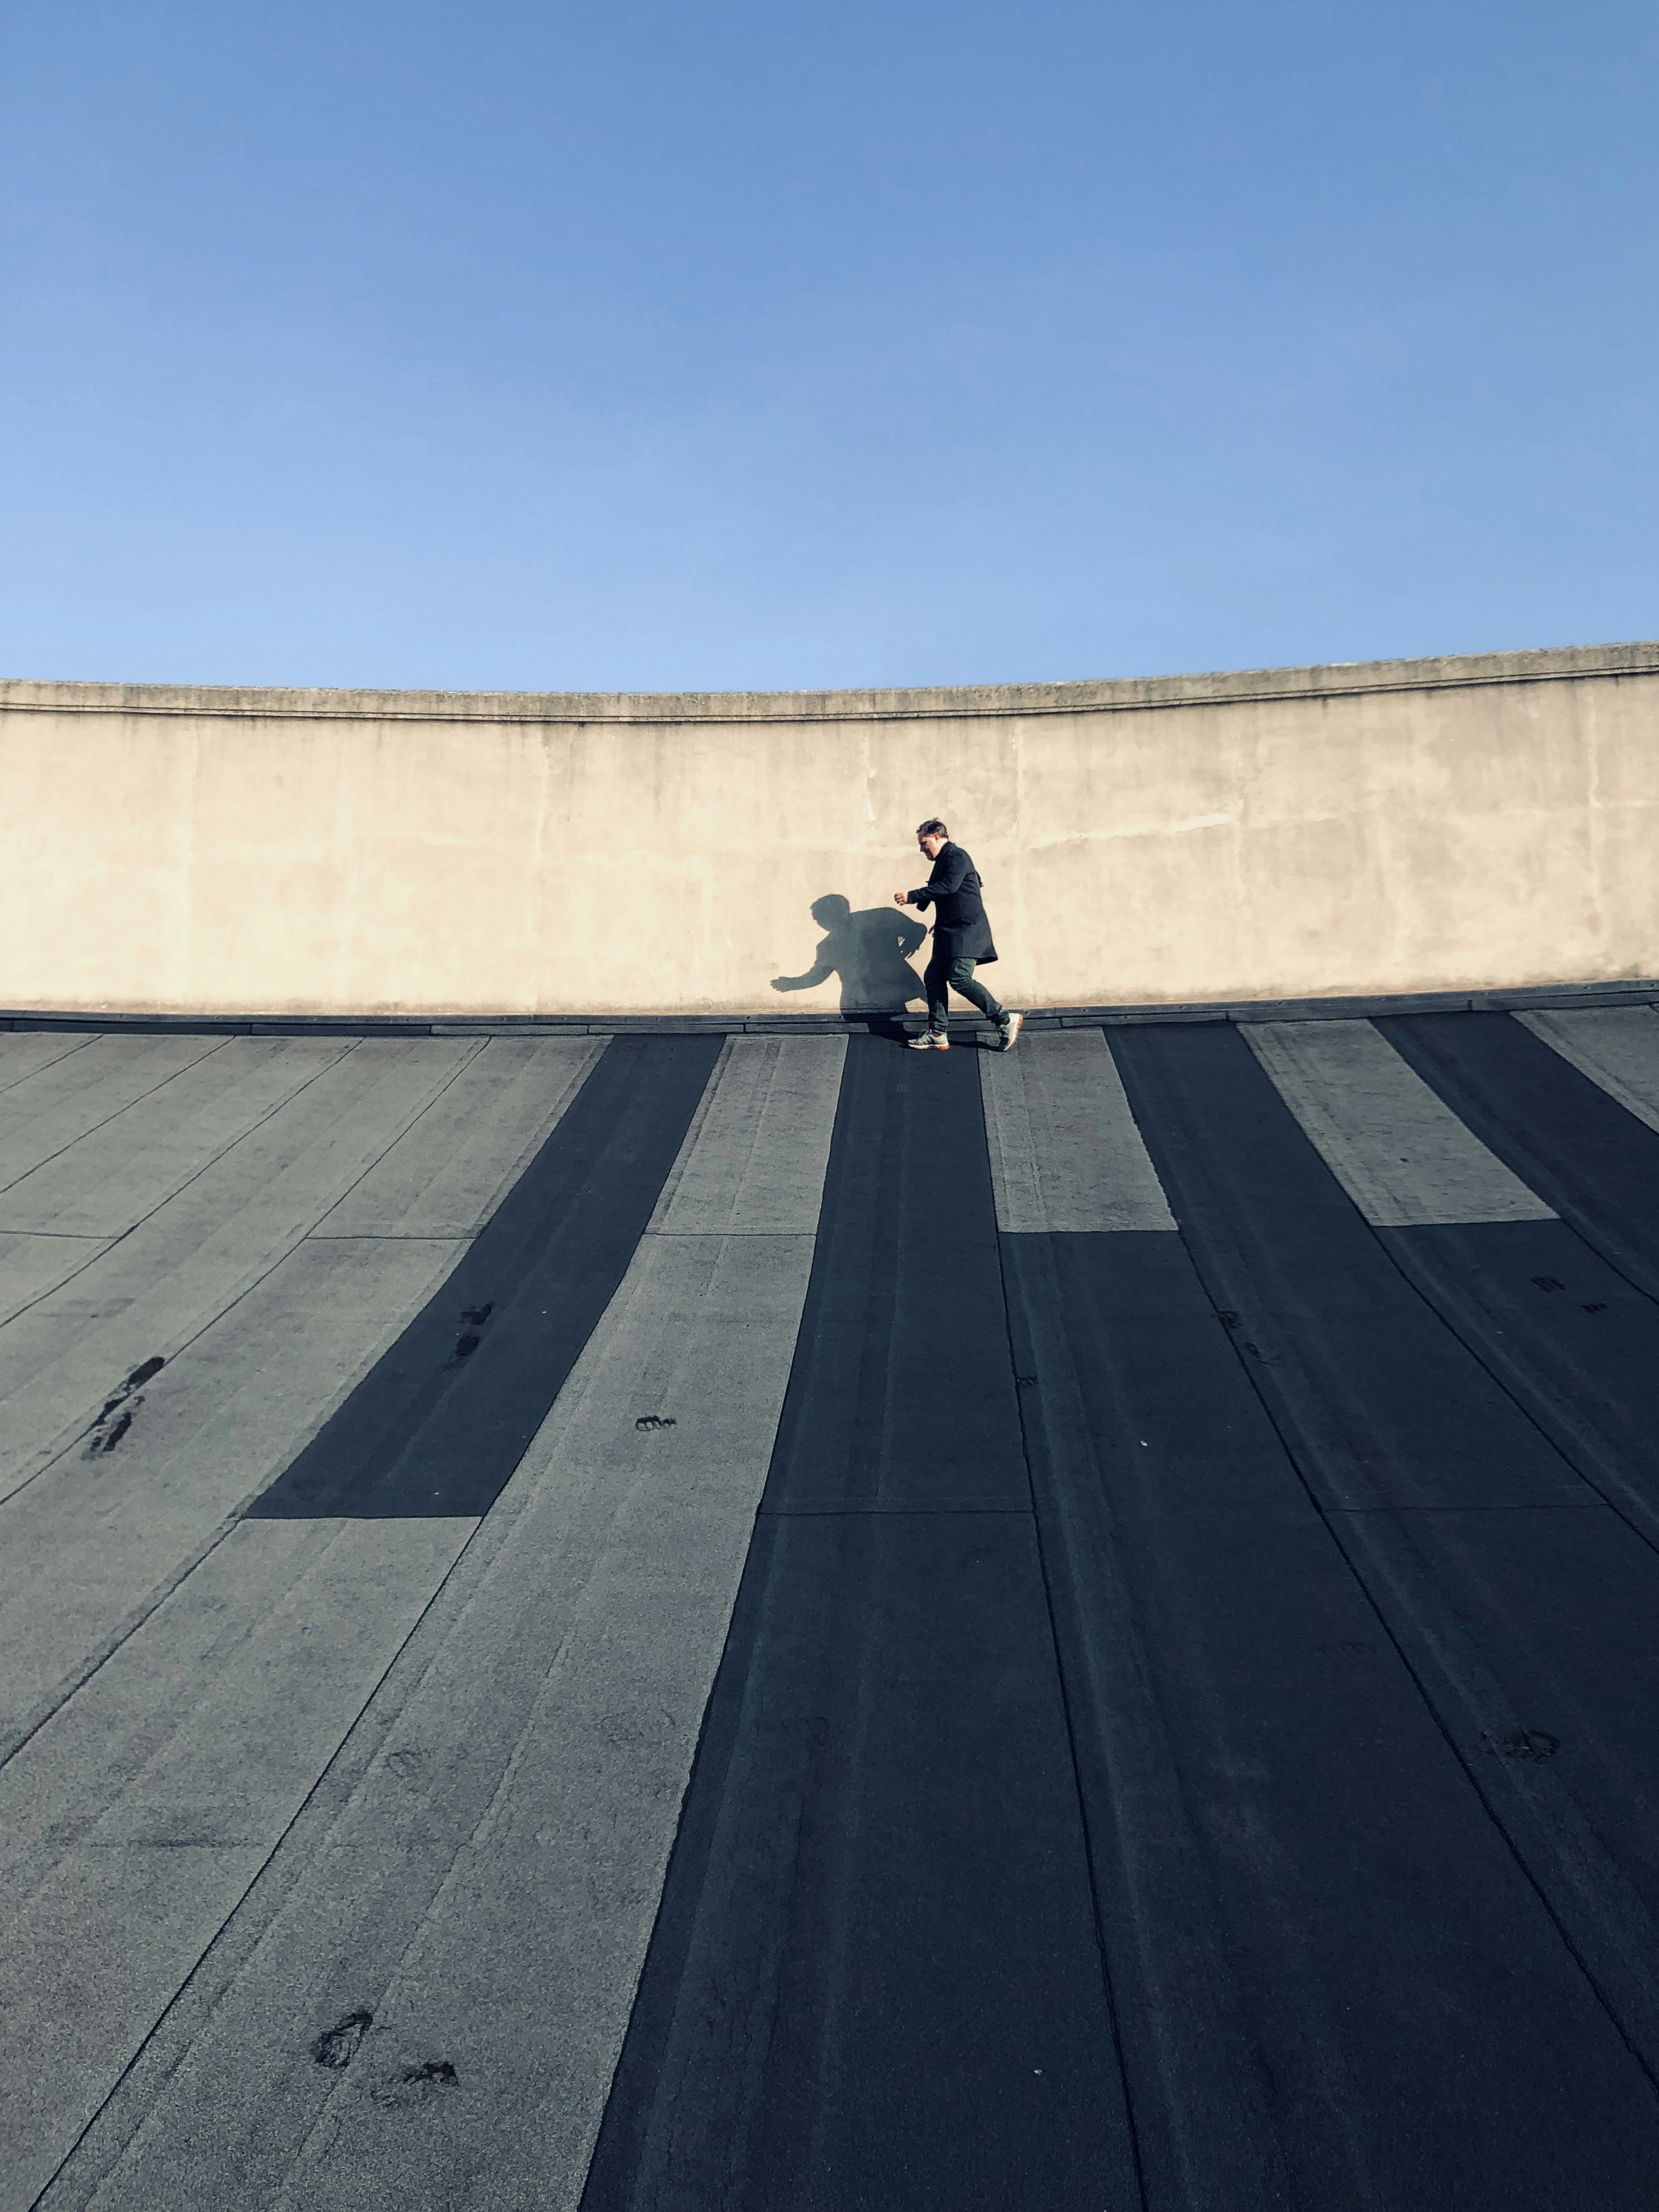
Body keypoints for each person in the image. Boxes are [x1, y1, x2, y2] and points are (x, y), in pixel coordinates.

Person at [894, 819, 1022, 1051]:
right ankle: (937, 1033)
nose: (922, 849)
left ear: (936, 837)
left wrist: (912, 895)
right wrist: (939, 921)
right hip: (949, 930)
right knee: (934, 977)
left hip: (966, 930)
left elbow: (949, 887)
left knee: (960, 978)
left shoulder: (957, 856)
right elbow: (951, 895)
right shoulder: (944, 861)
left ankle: (1004, 1019)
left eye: (924, 843)